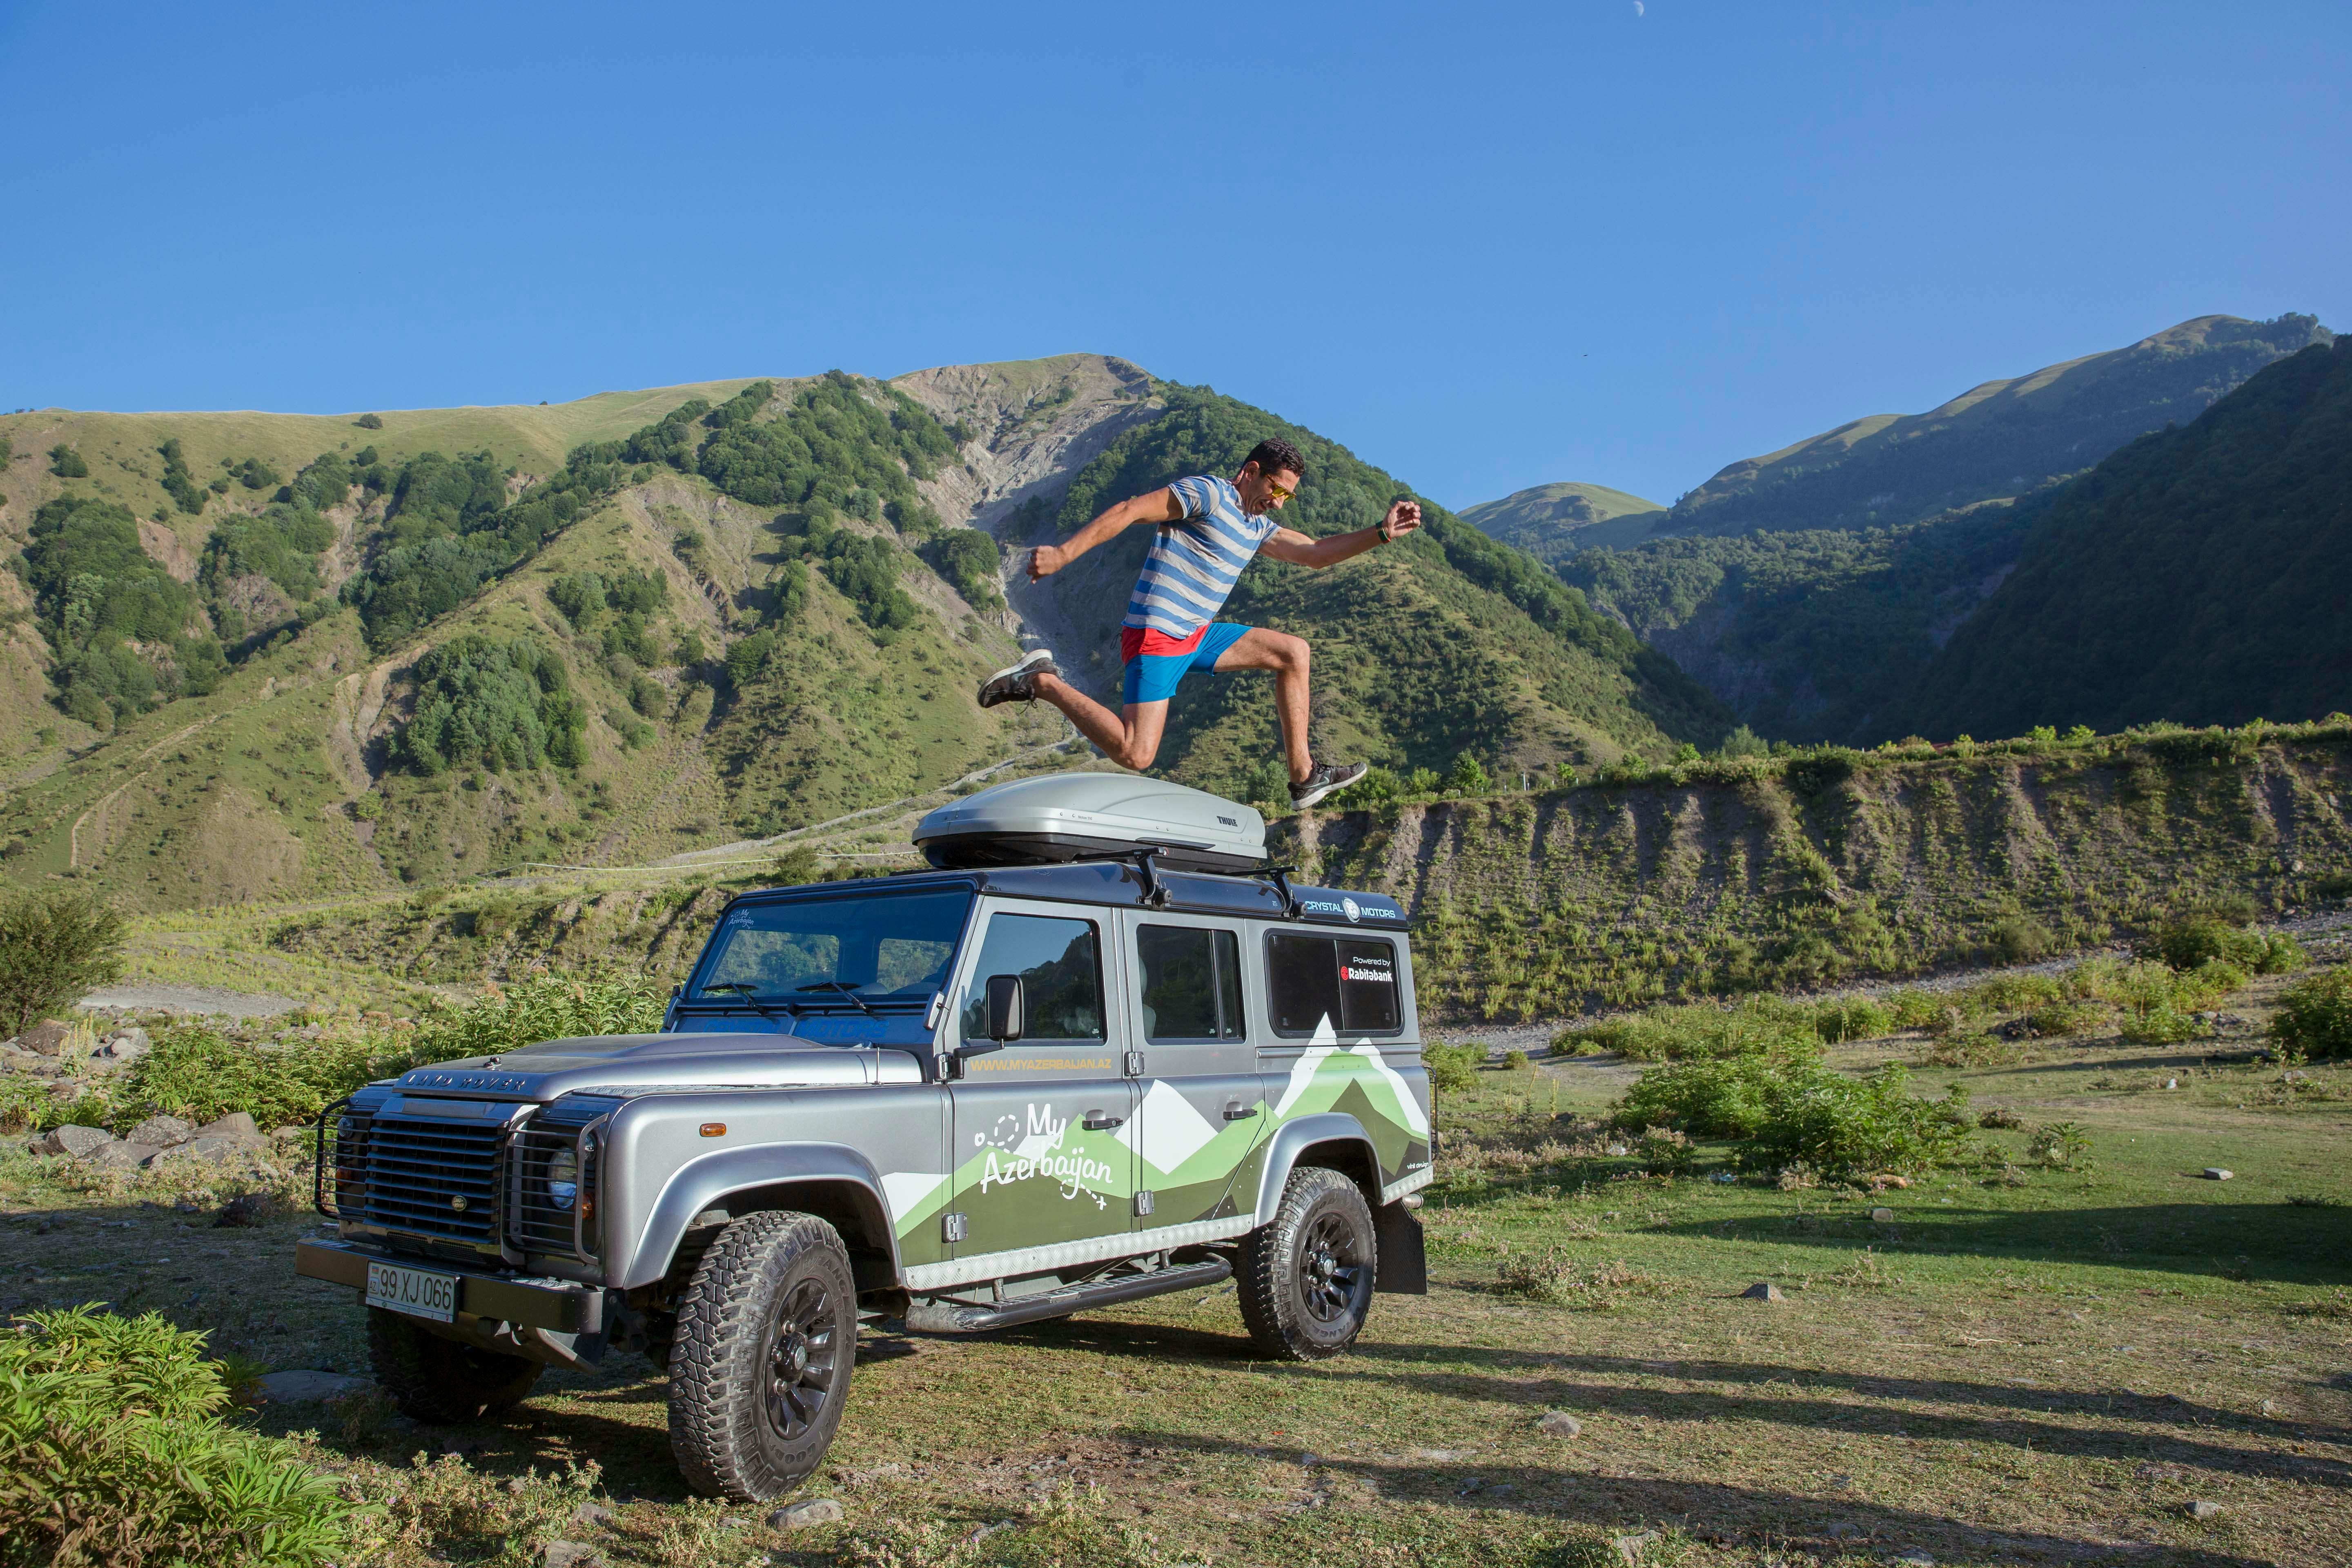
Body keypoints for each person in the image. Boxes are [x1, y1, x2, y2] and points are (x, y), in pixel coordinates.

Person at [976, 436, 1421, 808]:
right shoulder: (1209, 494)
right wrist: (1063, 554)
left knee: (1293, 653)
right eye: (1276, 489)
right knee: (1136, 754)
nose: (1279, 502)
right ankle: (1043, 682)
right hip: (1156, 632)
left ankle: (1304, 776)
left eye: (1288, 496)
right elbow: (1131, 510)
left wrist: (1381, 533)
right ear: (1251, 471)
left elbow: (1317, 554)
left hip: (1196, 635)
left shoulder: (1257, 527)